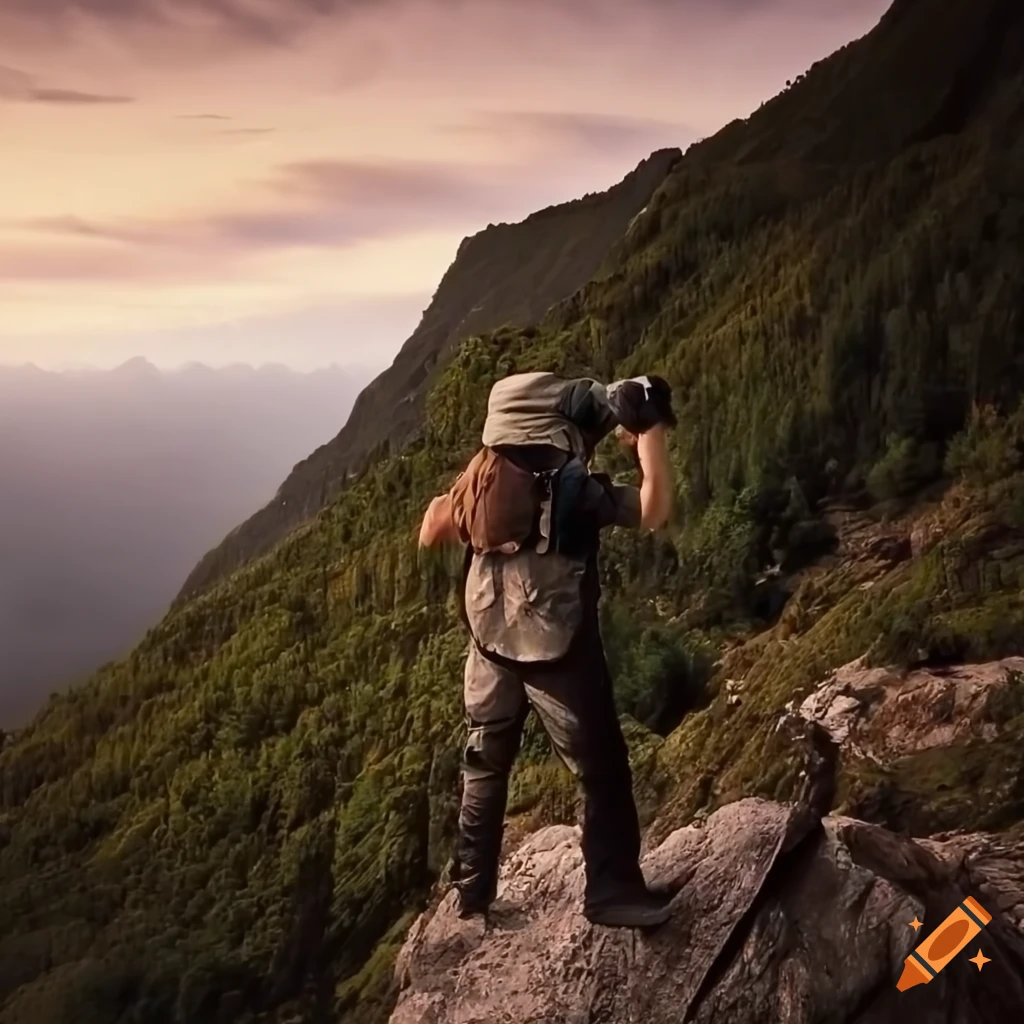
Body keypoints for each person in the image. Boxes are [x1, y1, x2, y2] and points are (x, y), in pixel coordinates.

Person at [418, 372, 676, 928]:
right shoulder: (573, 487)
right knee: (601, 768)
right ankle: (612, 892)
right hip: (554, 651)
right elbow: (654, 510)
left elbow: (431, 527)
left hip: (487, 642)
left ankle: (473, 891)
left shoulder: (482, 474)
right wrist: (649, 434)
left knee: (485, 763)